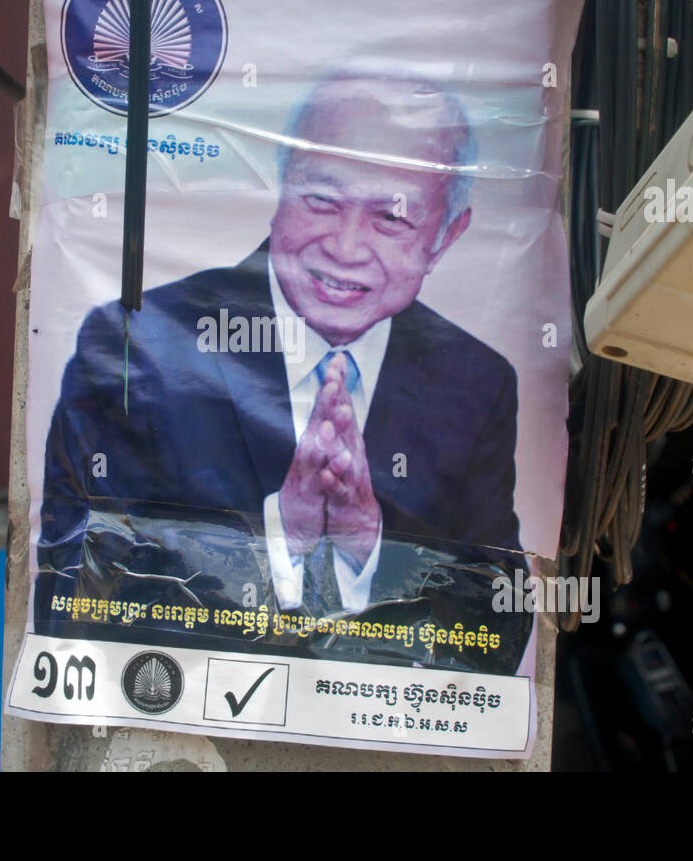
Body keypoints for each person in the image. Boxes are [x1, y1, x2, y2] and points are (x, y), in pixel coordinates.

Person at [35, 73, 531, 674]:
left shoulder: (476, 384)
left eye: (392, 217)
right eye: (321, 200)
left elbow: (496, 629)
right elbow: (76, 600)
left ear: (446, 236)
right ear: (281, 184)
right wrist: (279, 541)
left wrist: (370, 550)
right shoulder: (139, 348)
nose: (345, 248)